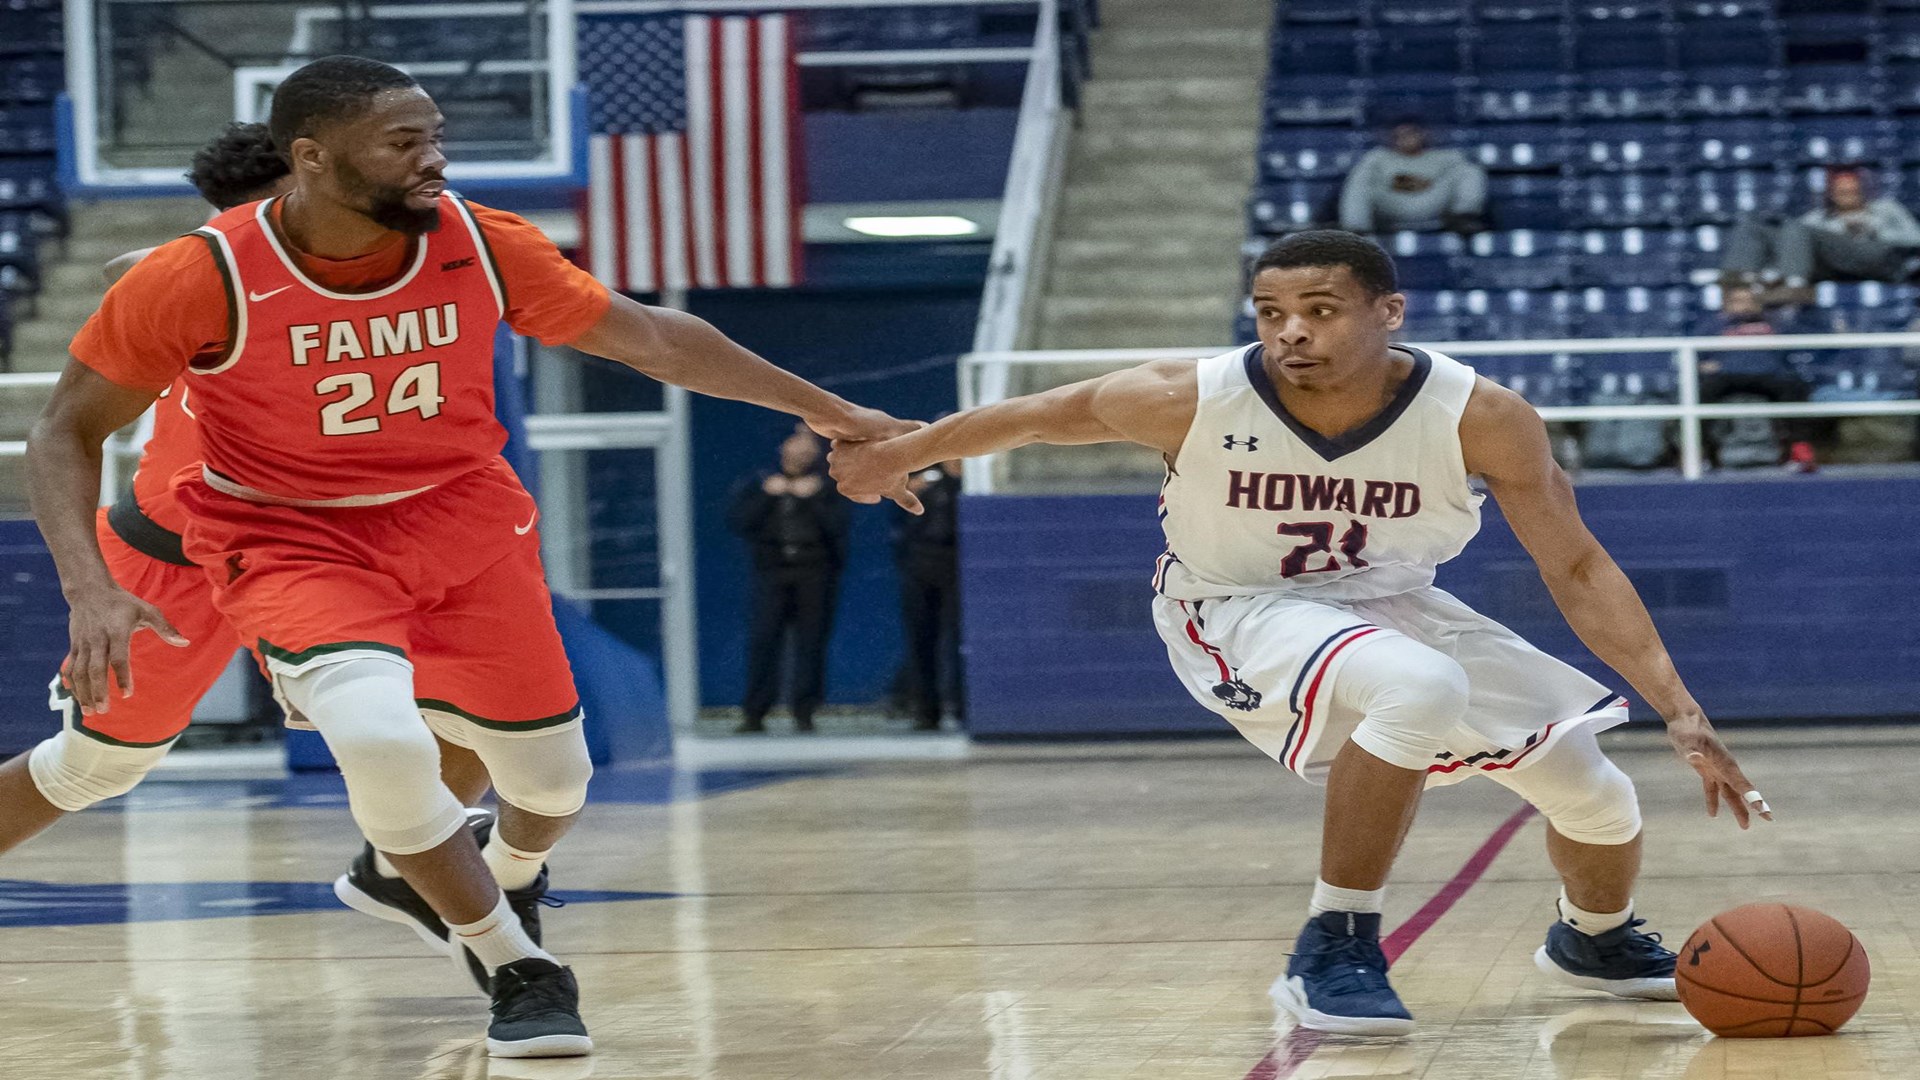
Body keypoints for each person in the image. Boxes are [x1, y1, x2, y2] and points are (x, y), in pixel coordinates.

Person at [28, 56, 913, 1058]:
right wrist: (87, 589)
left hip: (457, 525)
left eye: (435, 137)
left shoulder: (480, 244)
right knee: (341, 741)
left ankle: (473, 874)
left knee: (553, 780)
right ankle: (516, 963)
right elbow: (67, 424)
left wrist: (833, 412)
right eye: (404, 144)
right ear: (308, 160)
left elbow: (657, 341)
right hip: (267, 537)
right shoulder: (197, 275)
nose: (435, 160)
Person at [831, 230, 1769, 1037]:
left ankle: (1594, 939)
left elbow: (1578, 567)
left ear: (1388, 312)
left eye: (1320, 310)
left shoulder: (1480, 416)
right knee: (1417, 688)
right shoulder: (1186, 396)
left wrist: (1680, 710)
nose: (1290, 331)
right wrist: (898, 455)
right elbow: (1035, 419)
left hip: (1391, 603)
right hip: (1231, 605)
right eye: (1270, 310)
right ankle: (1334, 943)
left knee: (1593, 789)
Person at [729, 430, 848, 734]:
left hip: (814, 572)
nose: (800, 452)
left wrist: (815, 498)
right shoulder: (761, 483)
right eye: (795, 444)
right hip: (772, 570)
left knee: (811, 642)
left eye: (808, 447)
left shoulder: (827, 487)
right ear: (783, 448)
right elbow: (740, 522)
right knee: (764, 640)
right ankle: (755, 711)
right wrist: (771, 495)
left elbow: (838, 529)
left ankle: (805, 710)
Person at [1721, 168, 1920, 306]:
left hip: (1878, 258)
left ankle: (1794, 284)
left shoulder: (1886, 209)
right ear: (1832, 194)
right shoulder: (1817, 217)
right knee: (1755, 227)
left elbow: (1914, 238)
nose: (1847, 195)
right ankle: (1739, 279)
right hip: (1829, 266)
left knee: (1800, 228)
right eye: (1842, 192)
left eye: (1852, 191)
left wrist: (1873, 230)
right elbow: (1793, 242)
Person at [1694, 286, 1813, 469]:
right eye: (1739, 301)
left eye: (1750, 301)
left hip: (1769, 374)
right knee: (1701, 393)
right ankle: (1702, 453)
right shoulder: (1714, 325)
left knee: (1794, 389)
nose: (1745, 306)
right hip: (1727, 375)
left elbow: (1803, 346)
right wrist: (1703, 365)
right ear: (1727, 305)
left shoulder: (1776, 323)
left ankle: (1798, 451)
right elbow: (1693, 354)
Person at [893, 458, 963, 731]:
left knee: (961, 640)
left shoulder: (971, 481)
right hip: (921, 562)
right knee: (921, 638)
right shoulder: (921, 479)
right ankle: (925, 710)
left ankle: (963, 707)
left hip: (958, 562)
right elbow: (898, 523)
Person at [1338, 120, 1487, 235]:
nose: (1406, 138)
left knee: (1469, 170)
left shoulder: (1445, 156)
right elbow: (1364, 179)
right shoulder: (1379, 156)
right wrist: (1416, 183)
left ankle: (1464, 218)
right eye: (1401, 135)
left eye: (1411, 133)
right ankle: (1356, 231)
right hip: (1393, 203)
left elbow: (1461, 175)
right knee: (1360, 179)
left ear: (1422, 134)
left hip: (1434, 202)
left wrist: (1411, 183)